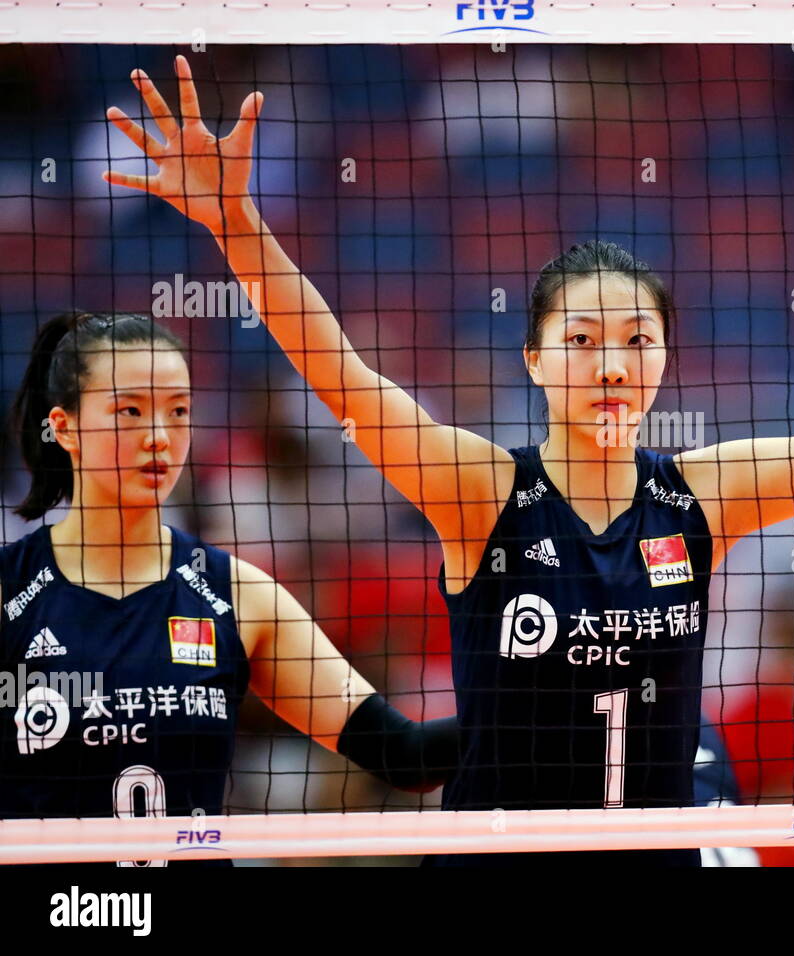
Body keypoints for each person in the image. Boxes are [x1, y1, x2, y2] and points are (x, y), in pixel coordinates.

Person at [102, 54, 794, 866]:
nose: (613, 363)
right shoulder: (477, 489)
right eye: (584, 340)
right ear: (537, 361)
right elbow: (339, 372)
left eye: (637, 339)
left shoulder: (702, 494)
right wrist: (236, 228)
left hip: (655, 856)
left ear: (664, 361)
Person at [0, 311, 458, 866]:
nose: (159, 436)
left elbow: (402, 755)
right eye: (130, 411)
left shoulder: (238, 596)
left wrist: (536, 712)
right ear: (66, 427)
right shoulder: (11, 589)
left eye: (179, 412)